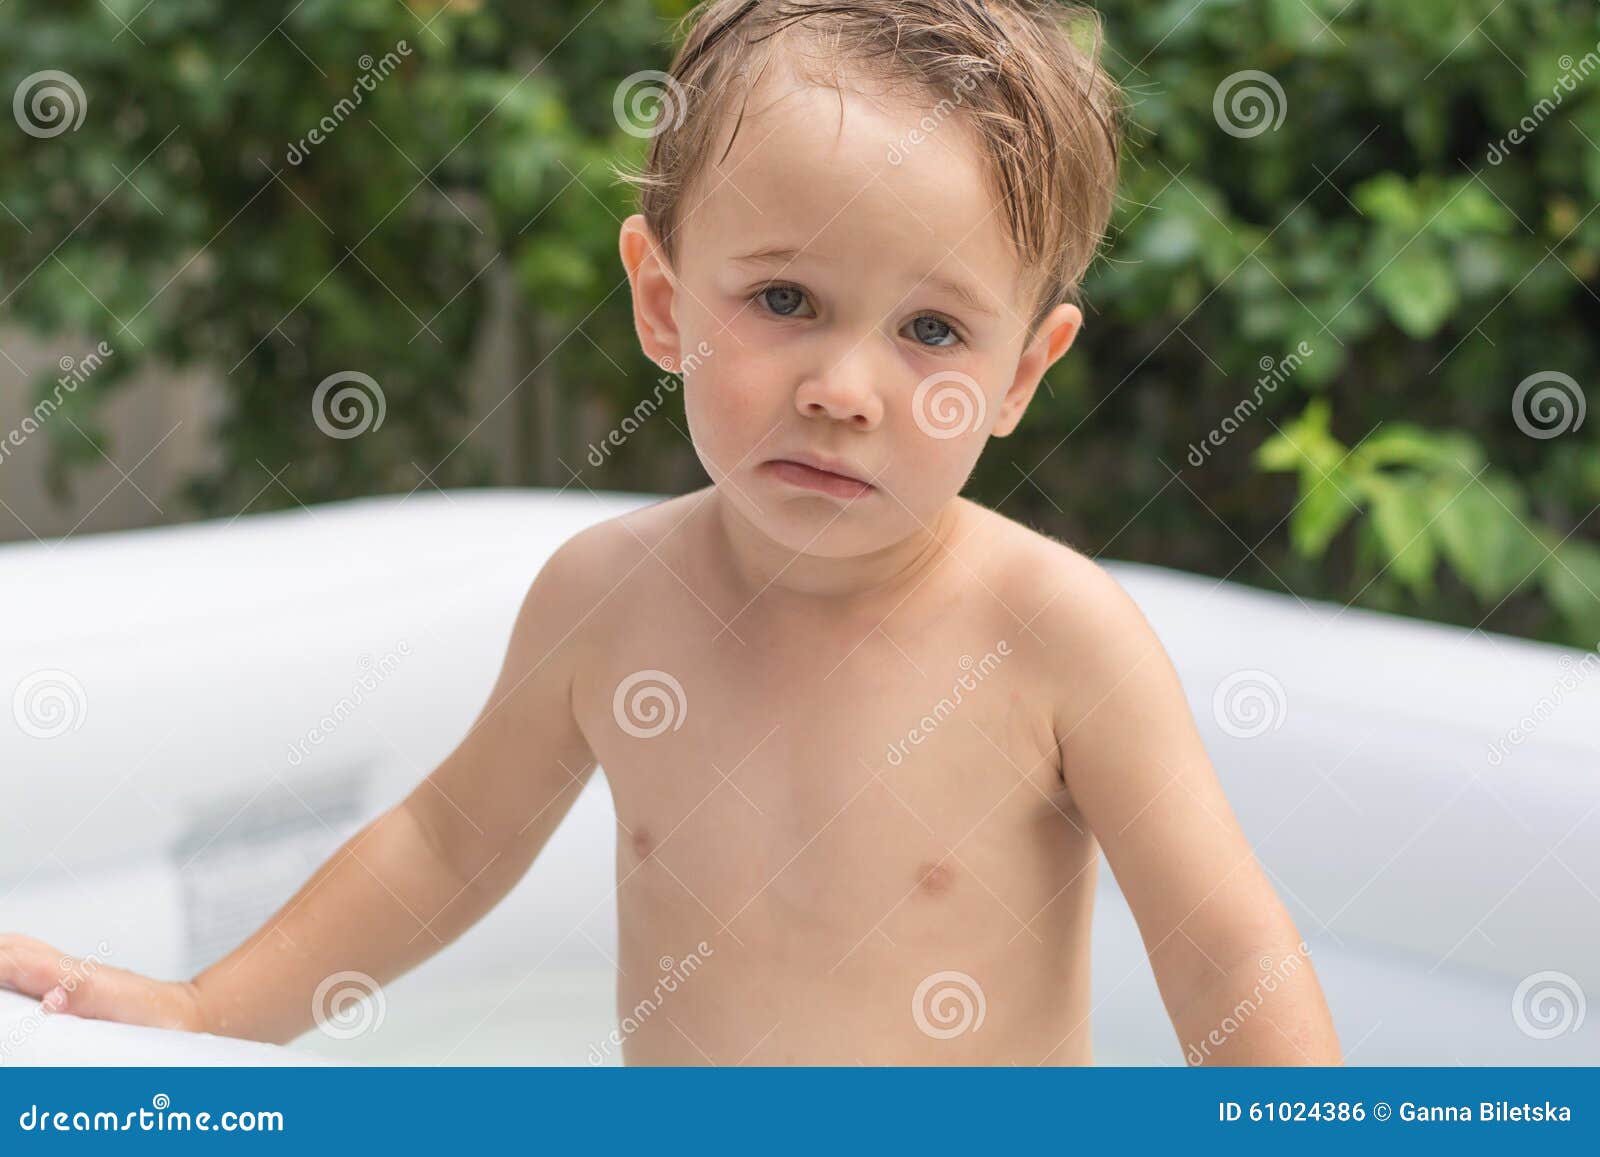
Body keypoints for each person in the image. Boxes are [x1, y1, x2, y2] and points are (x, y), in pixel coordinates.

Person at [0, 0, 1341, 1065]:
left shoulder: (1051, 636)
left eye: (931, 329)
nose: (843, 386)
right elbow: (445, 843)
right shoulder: (610, 599)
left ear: (1020, 375)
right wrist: (203, 1015)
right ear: (661, 298)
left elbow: (1223, 943)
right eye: (784, 298)